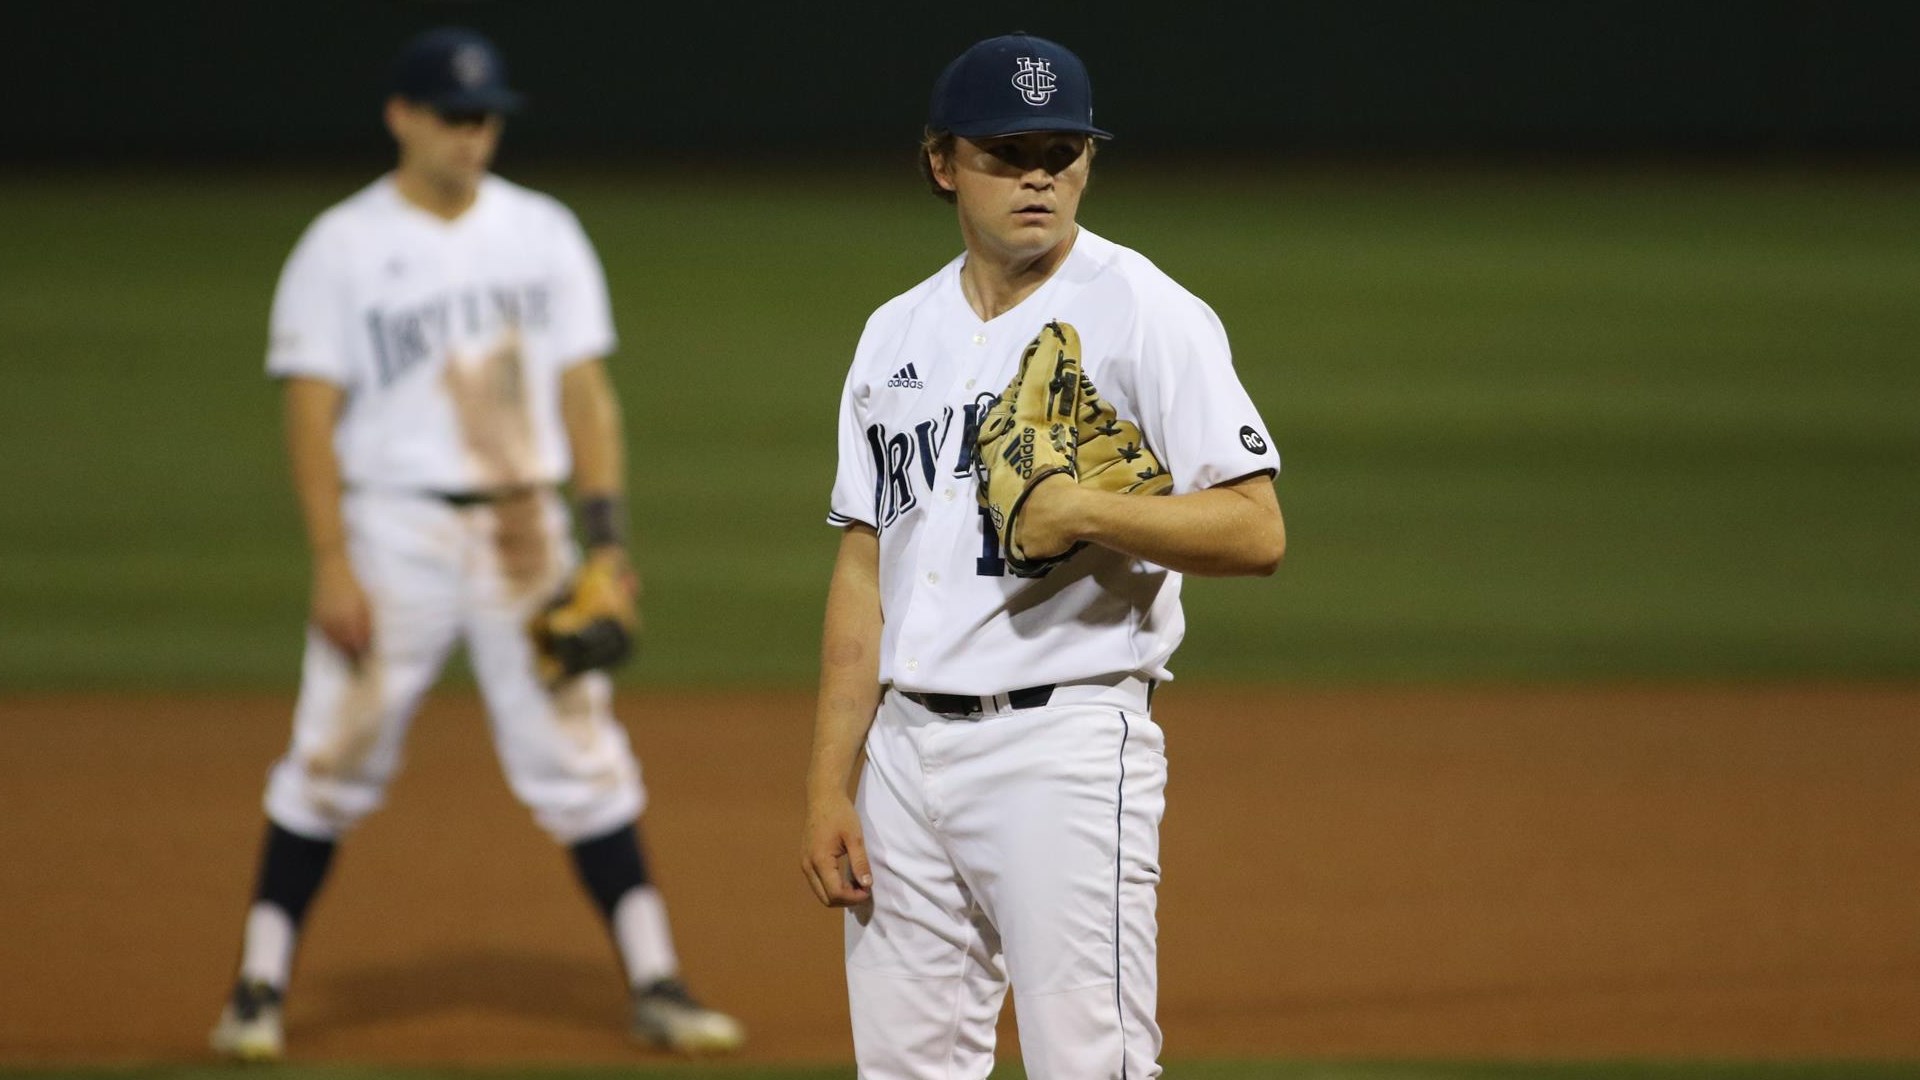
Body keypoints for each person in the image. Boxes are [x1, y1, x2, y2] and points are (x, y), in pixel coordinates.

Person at [209, 26, 743, 1062]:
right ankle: (256, 991)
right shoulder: (341, 245)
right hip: (393, 529)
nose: (475, 133)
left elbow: (586, 393)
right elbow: (310, 413)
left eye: (487, 114)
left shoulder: (543, 232)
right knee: (331, 757)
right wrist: (330, 559)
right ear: (400, 116)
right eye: (455, 115)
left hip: (522, 531)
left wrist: (604, 541)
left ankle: (658, 983)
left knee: (582, 758)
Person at [800, 31, 1286, 1080]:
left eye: (1063, 151)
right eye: (1008, 150)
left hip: (1060, 749)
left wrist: (1090, 510)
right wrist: (828, 785)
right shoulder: (893, 334)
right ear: (943, 164)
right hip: (900, 755)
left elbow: (1255, 530)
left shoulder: (1145, 310)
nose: (1040, 175)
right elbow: (861, 572)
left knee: (1092, 1068)